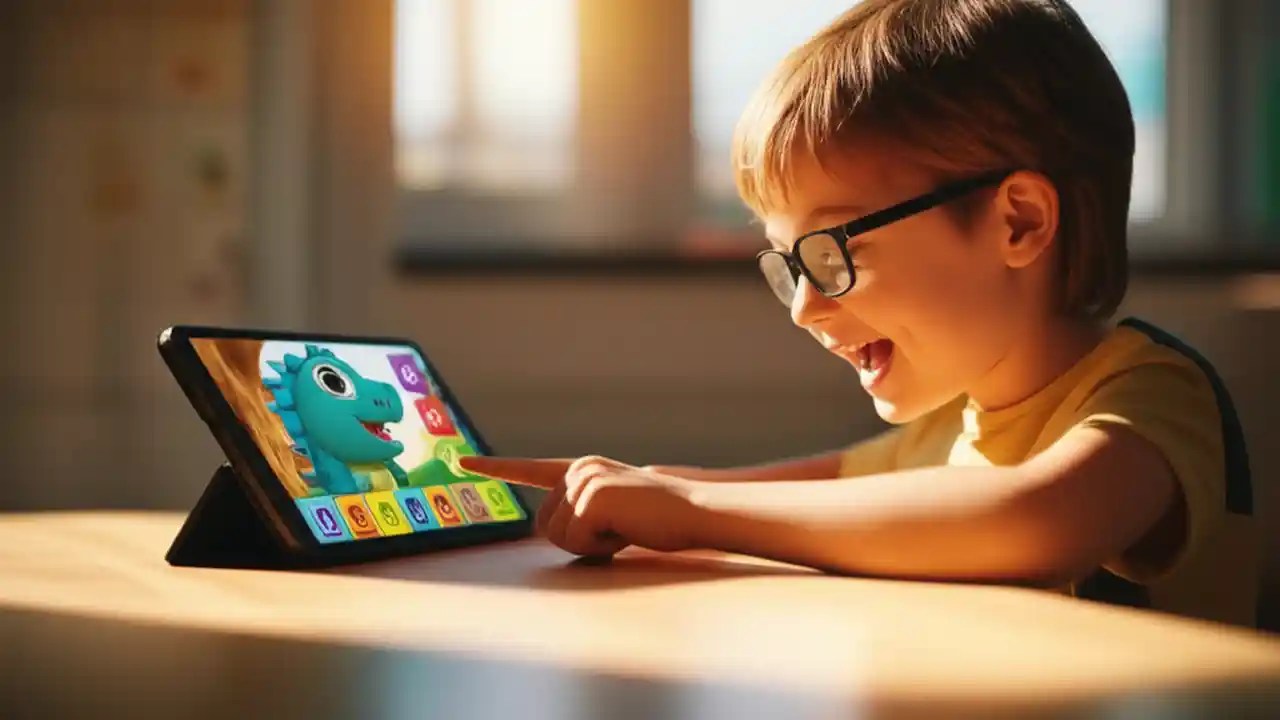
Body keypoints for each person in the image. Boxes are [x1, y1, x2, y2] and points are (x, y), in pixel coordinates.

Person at [462, 0, 1255, 625]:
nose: (804, 308)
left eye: (832, 255)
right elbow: (826, 488)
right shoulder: (953, 425)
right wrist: (650, 488)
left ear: (1018, 222)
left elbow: (1033, 519)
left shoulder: (1152, 395)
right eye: (787, 267)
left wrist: (694, 508)